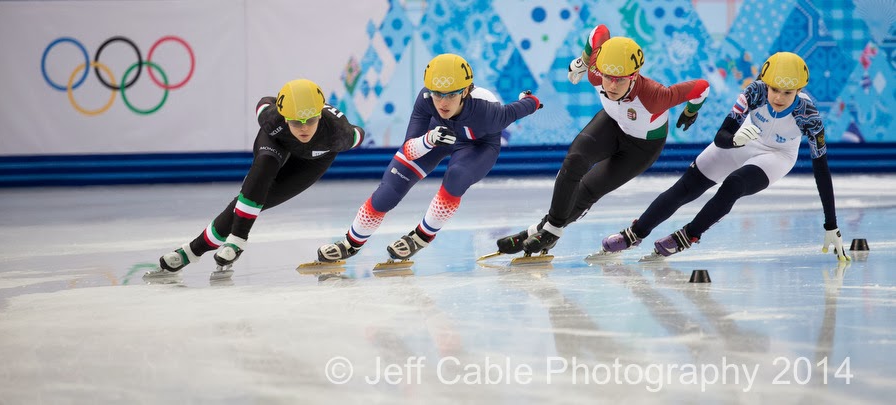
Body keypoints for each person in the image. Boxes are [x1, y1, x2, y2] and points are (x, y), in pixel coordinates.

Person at [600, 52, 850, 261]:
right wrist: (734, 140)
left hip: (778, 155)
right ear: (766, 82)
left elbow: (821, 169)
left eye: (788, 92)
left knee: (734, 184)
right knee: (686, 186)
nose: (778, 98)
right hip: (744, 139)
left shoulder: (809, 116)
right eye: (774, 89)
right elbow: (722, 136)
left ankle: (689, 234)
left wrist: (831, 224)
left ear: (800, 89)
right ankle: (634, 233)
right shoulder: (755, 92)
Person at [494, 25, 710, 256]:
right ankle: (550, 231)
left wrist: (690, 111)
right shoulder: (595, 71)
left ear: (634, 76)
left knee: (587, 191)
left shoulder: (656, 96)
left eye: (620, 80)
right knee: (574, 162)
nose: (612, 85)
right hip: (612, 123)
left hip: (642, 146)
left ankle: (539, 230)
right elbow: (599, 31)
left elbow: (701, 87)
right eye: (608, 78)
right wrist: (583, 60)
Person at [316, 53, 542, 263]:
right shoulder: (425, 99)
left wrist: (530, 99)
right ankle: (351, 242)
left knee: (456, 176)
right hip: (439, 133)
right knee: (387, 192)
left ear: (465, 91)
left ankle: (420, 237)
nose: (443, 103)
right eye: (438, 94)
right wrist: (429, 139)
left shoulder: (488, 113)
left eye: (451, 95)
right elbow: (408, 149)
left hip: (478, 143)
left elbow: (521, 108)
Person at [145, 79, 366, 278]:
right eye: (296, 122)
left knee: (257, 199)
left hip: (315, 159)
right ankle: (237, 241)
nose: (304, 127)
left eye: (310, 120)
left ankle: (192, 251)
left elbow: (359, 134)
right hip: (278, 141)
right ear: (284, 117)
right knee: (262, 170)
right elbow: (264, 102)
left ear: (319, 115)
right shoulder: (272, 119)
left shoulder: (339, 133)